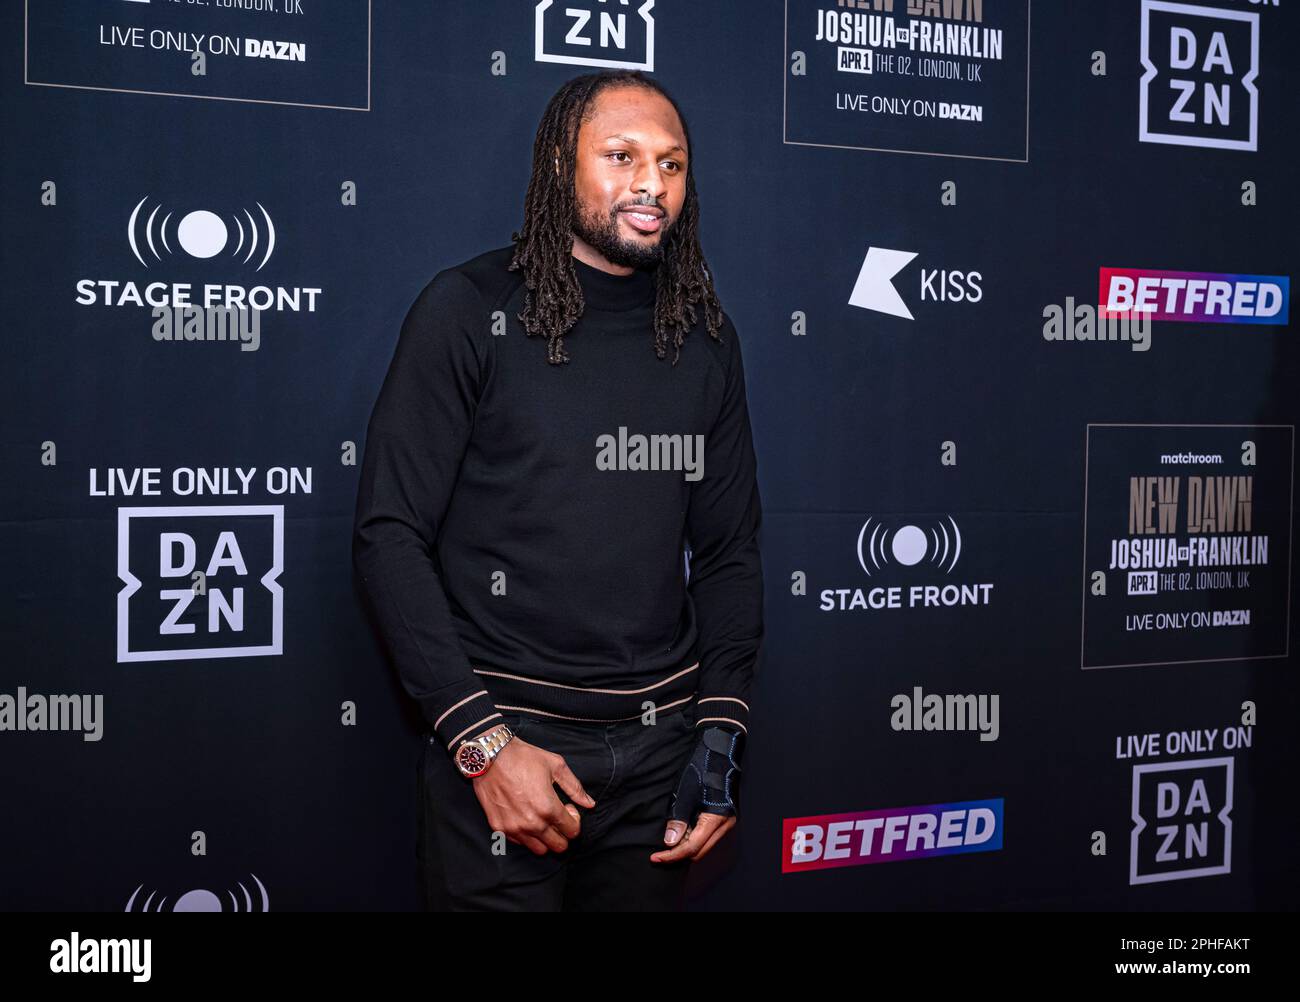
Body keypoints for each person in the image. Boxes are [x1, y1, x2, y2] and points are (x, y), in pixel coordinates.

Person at [351, 69, 763, 911]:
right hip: (509, 744)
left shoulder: (706, 337)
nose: (652, 182)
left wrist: (719, 735)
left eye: (672, 164)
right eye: (621, 156)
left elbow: (728, 552)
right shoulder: (468, 310)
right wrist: (481, 744)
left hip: (661, 758)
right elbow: (389, 534)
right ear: (557, 169)